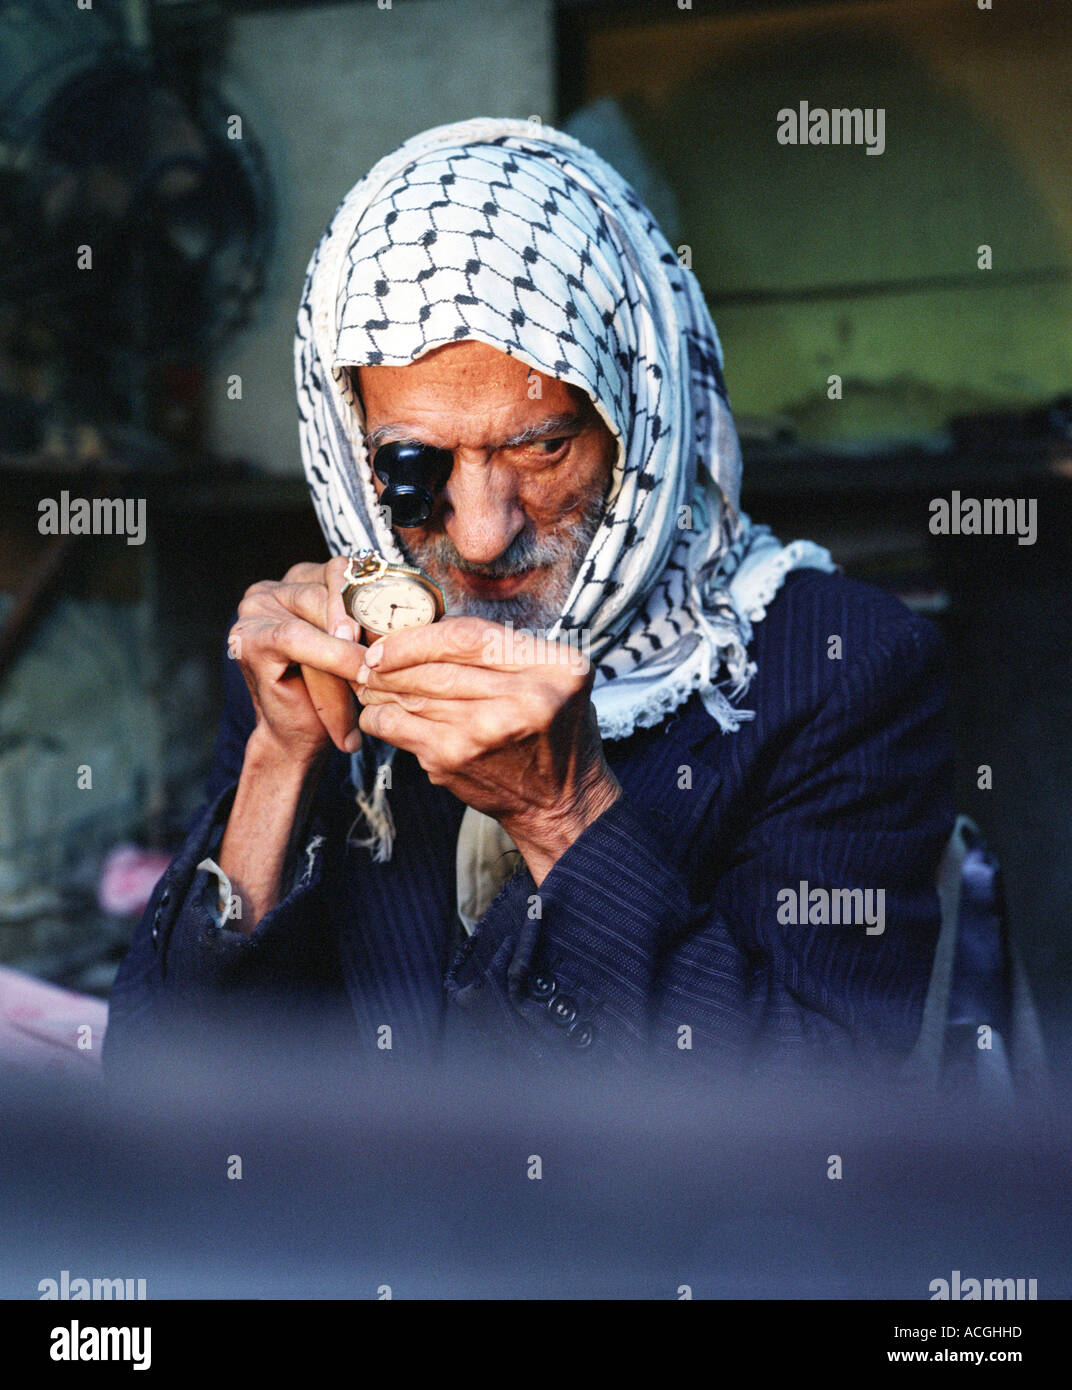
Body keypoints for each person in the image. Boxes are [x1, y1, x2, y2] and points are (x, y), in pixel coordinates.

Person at [103, 118, 955, 1077]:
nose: (479, 533)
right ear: (353, 448)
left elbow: (814, 1138)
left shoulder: (835, 669)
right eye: (414, 462)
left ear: (640, 416)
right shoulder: (326, 655)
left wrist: (563, 815)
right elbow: (162, 1081)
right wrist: (278, 758)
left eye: (541, 446)